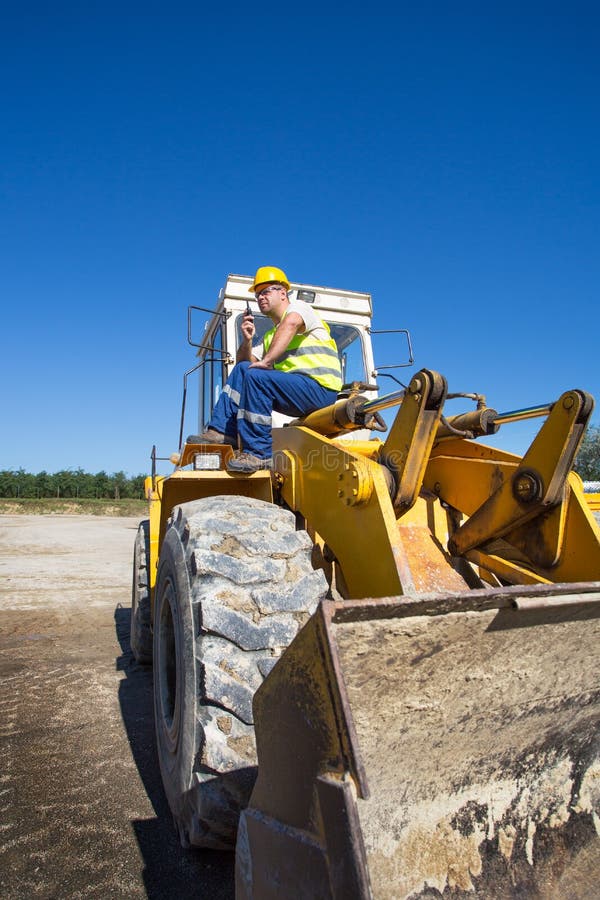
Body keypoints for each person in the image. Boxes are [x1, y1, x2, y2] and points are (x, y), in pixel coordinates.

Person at [191, 265, 343, 473]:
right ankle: (222, 431)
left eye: (266, 291)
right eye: (257, 294)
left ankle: (258, 453)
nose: (260, 297)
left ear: (283, 292)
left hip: (320, 390)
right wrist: (247, 340)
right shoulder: (271, 336)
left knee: (256, 375)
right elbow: (245, 363)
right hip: (296, 392)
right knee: (244, 369)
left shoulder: (299, 309)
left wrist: (267, 360)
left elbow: (290, 324)